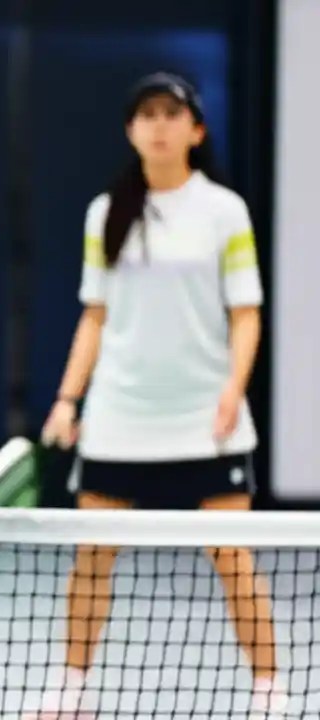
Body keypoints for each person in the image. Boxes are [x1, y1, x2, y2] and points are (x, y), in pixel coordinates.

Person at [30, 73, 289, 718]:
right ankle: (72, 690)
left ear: (195, 130)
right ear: (131, 130)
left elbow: (247, 313)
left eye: (172, 113)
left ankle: (269, 691)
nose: (159, 124)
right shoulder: (106, 212)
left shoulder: (224, 211)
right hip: (121, 416)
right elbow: (94, 315)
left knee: (232, 558)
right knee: (93, 557)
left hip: (207, 418)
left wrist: (233, 390)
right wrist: (69, 400)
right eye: (147, 114)